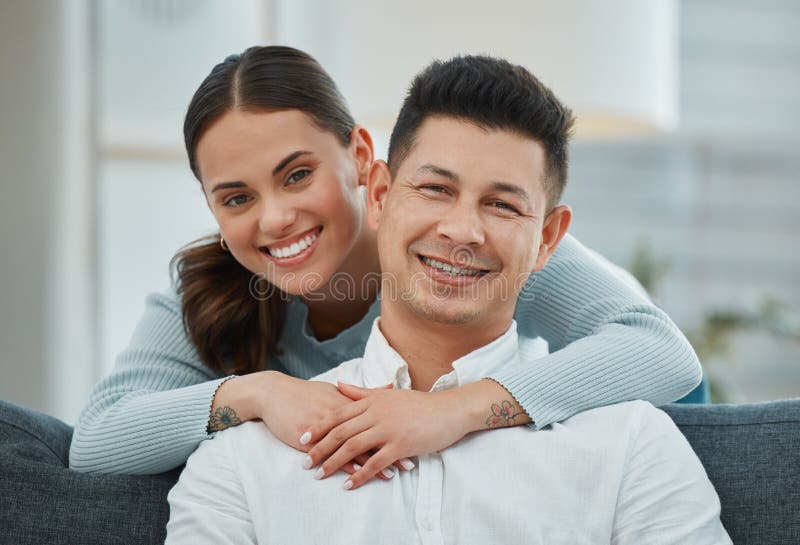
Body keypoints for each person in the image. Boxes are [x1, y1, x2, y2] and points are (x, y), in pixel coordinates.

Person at [70, 45, 704, 484]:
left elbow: (665, 357)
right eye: (236, 197)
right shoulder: (210, 291)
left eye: (297, 175)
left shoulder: (467, 251)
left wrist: (454, 409)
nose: (275, 219)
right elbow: (96, 440)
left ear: (361, 164)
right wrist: (260, 392)